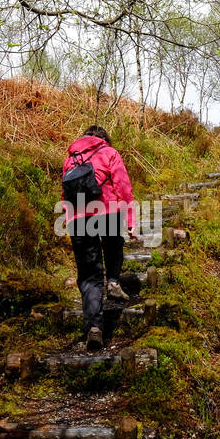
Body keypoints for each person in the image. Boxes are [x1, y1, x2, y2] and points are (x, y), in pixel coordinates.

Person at [61, 125, 137, 350]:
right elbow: (123, 187)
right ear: (103, 138)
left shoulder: (70, 160)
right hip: (108, 211)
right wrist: (130, 221)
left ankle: (94, 327)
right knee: (114, 243)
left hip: (79, 219)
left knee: (89, 275)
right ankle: (113, 281)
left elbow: (65, 193)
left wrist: (69, 219)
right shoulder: (109, 153)